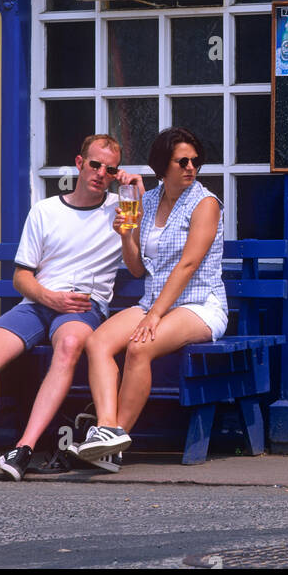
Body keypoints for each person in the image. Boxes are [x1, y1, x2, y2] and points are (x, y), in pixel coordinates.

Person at [0, 134, 133, 481]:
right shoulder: (46, 210)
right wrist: (50, 297)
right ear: (80, 164)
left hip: (82, 305)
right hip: (38, 302)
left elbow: (138, 262)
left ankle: (25, 447)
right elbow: (22, 278)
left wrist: (134, 190)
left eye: (110, 169)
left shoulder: (120, 212)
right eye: (94, 165)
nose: (100, 174)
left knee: (68, 345)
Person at [73, 127, 227, 466]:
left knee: (139, 346)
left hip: (198, 304)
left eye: (195, 161)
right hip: (154, 302)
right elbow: (138, 268)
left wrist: (155, 316)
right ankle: (106, 428)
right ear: (163, 165)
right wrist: (127, 236)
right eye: (182, 161)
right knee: (97, 343)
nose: (190, 167)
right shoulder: (150, 200)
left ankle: (113, 442)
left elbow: (188, 265)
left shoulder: (205, 204)